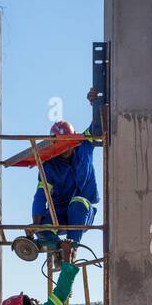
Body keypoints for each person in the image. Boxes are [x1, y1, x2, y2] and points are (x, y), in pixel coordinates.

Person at [30, 88, 103, 261]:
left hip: (82, 211)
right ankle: (58, 251)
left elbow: (98, 127)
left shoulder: (84, 145)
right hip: (60, 213)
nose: (66, 147)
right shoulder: (48, 165)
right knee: (43, 227)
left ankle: (71, 248)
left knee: (78, 202)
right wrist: (35, 223)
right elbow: (41, 195)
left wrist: (95, 103)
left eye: (68, 142)